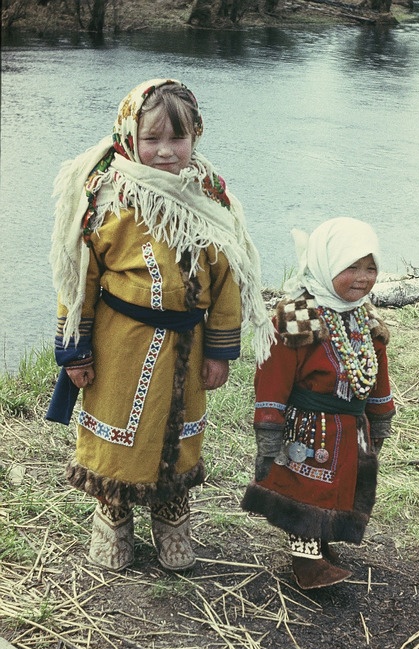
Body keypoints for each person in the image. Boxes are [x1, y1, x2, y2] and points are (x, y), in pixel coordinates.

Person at [47, 78, 273, 573]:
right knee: (118, 437)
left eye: (179, 138)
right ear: (130, 136)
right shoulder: (107, 199)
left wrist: (219, 350)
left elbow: (227, 280)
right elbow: (78, 280)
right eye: (152, 139)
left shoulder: (211, 200)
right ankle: (113, 511)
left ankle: (171, 511)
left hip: (188, 346)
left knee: (179, 434)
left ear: (197, 135)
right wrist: (76, 351)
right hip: (119, 347)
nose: (166, 152)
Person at [242, 217, 395, 590]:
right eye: (351, 267)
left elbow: (377, 373)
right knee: (305, 489)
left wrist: (380, 417)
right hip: (309, 429)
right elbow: (273, 377)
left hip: (349, 429)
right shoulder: (295, 318)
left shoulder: (366, 319)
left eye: (370, 267)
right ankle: (306, 561)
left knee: (340, 488)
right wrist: (269, 429)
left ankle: (321, 544)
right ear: (326, 264)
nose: (363, 277)